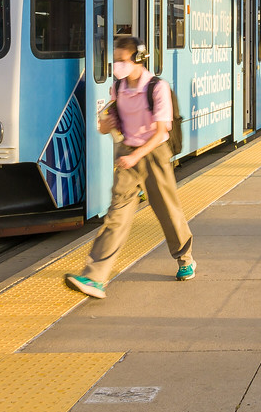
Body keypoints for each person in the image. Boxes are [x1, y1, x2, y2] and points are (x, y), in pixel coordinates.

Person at [66, 35, 196, 297]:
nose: (117, 65)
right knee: (116, 217)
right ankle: (95, 277)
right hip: (128, 155)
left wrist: (136, 156)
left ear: (138, 59)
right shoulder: (118, 88)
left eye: (122, 60)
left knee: (167, 210)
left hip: (154, 154)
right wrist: (105, 125)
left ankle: (185, 259)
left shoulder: (157, 88)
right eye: (115, 60)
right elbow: (108, 126)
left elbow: (161, 133)